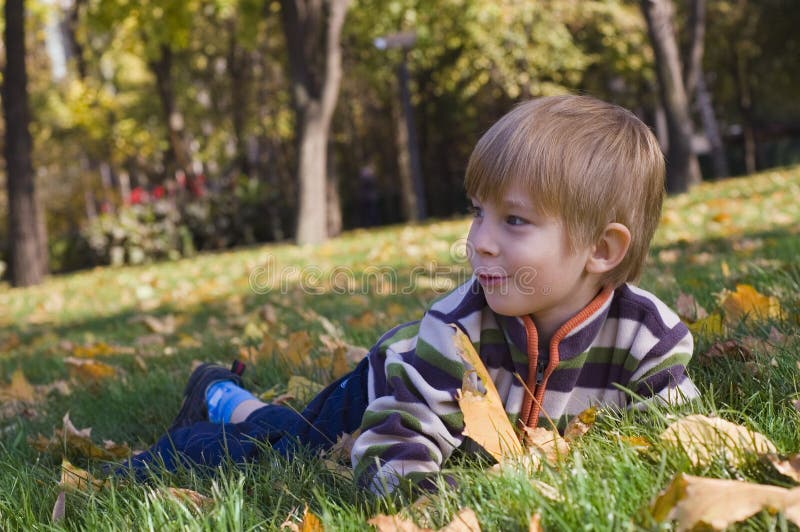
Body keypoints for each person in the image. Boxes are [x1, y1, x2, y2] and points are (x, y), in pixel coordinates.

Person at [115, 95, 699, 494]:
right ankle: (200, 411)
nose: (479, 242)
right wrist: (436, 503)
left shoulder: (646, 335)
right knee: (282, 444)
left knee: (278, 427)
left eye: (514, 222)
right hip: (380, 393)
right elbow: (392, 449)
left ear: (602, 250)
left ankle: (222, 391)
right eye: (478, 214)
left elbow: (681, 434)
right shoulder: (456, 331)